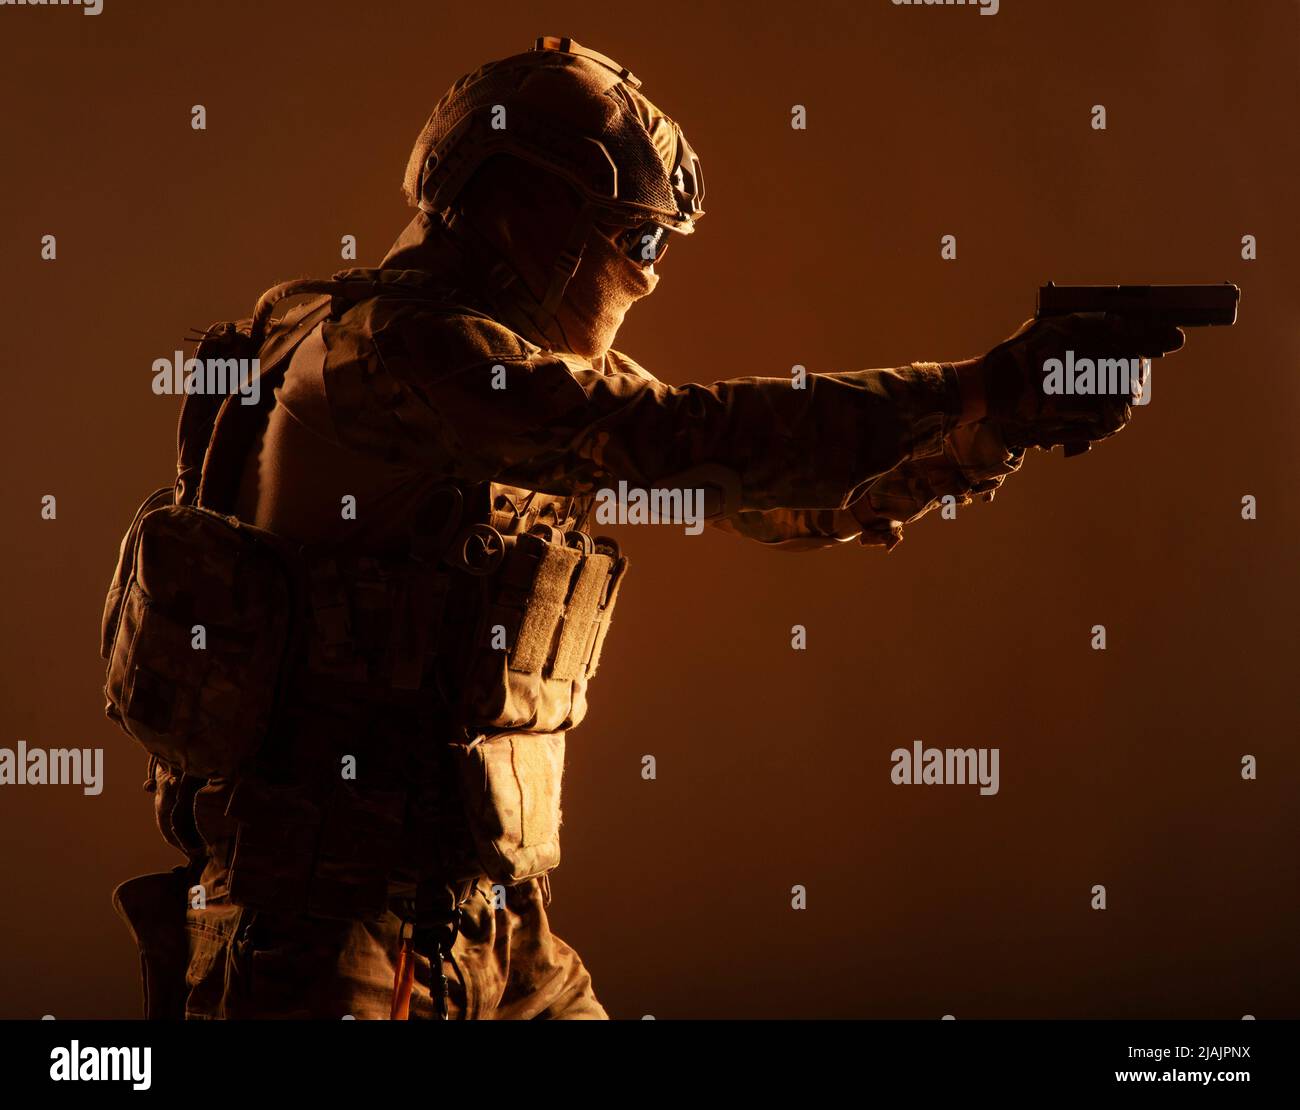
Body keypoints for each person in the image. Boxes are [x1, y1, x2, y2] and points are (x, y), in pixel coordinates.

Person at [110, 36, 1184, 1021]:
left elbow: (770, 497)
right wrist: (969, 387)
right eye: (632, 238)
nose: (646, 269)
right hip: (334, 926)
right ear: (525, 210)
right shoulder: (393, 353)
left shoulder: (500, 371)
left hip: (487, 916)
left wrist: (988, 432)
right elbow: (675, 440)